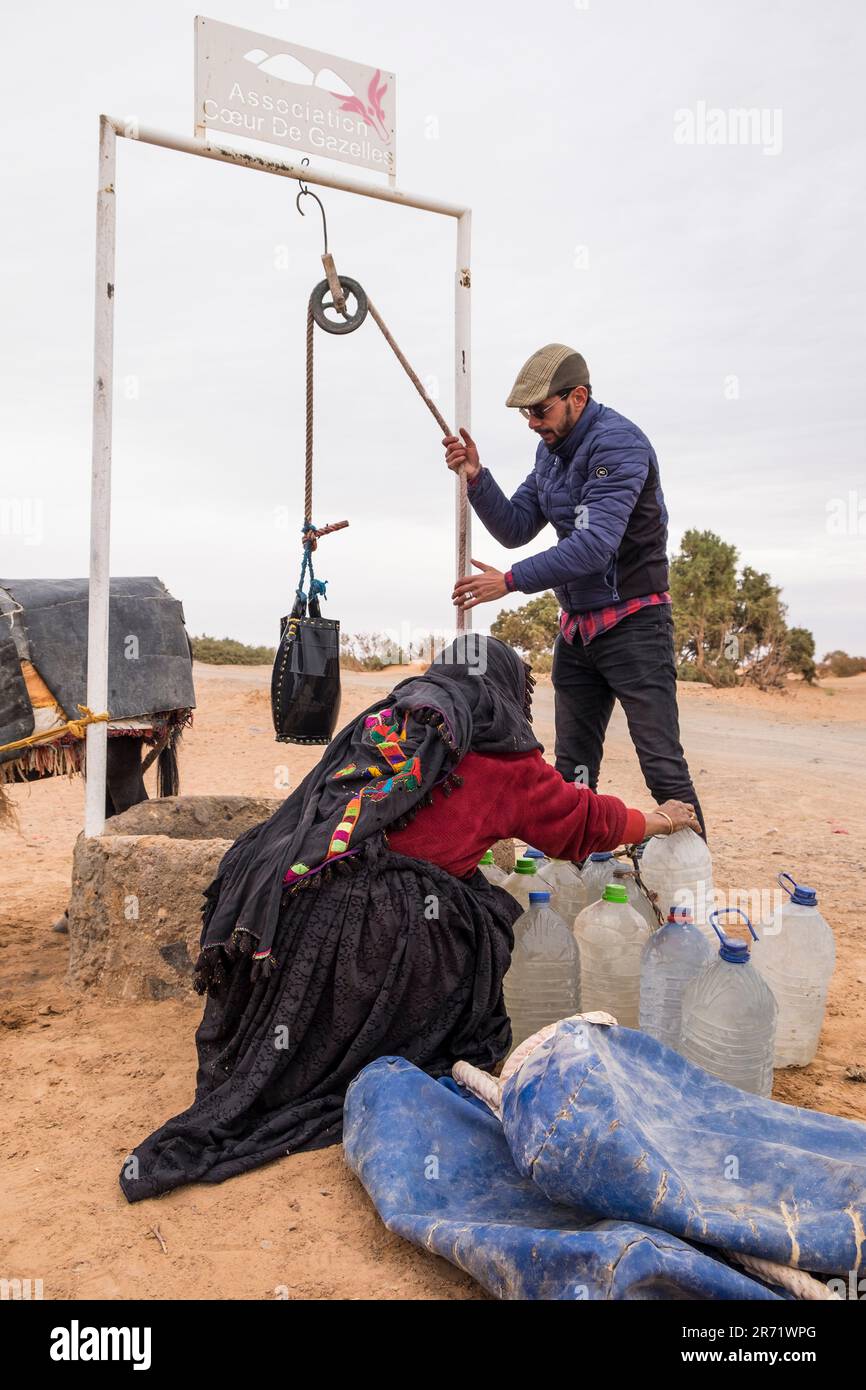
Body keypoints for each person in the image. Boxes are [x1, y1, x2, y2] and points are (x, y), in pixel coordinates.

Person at [119, 636, 698, 1202]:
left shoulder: (393, 722)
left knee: (458, 890)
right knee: (481, 918)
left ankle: (307, 1043)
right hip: (367, 930)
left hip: (291, 909)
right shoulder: (505, 760)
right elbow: (584, 825)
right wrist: (661, 820)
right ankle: (402, 1035)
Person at [443, 343, 706, 837]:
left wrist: (511, 580)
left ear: (577, 398)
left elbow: (594, 546)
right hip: (578, 632)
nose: (532, 422)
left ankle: (693, 895)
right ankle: (574, 881)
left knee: (664, 770)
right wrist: (477, 477)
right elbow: (517, 526)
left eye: (540, 410)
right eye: (526, 413)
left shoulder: (618, 444)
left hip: (635, 625)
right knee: (572, 772)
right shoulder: (549, 454)